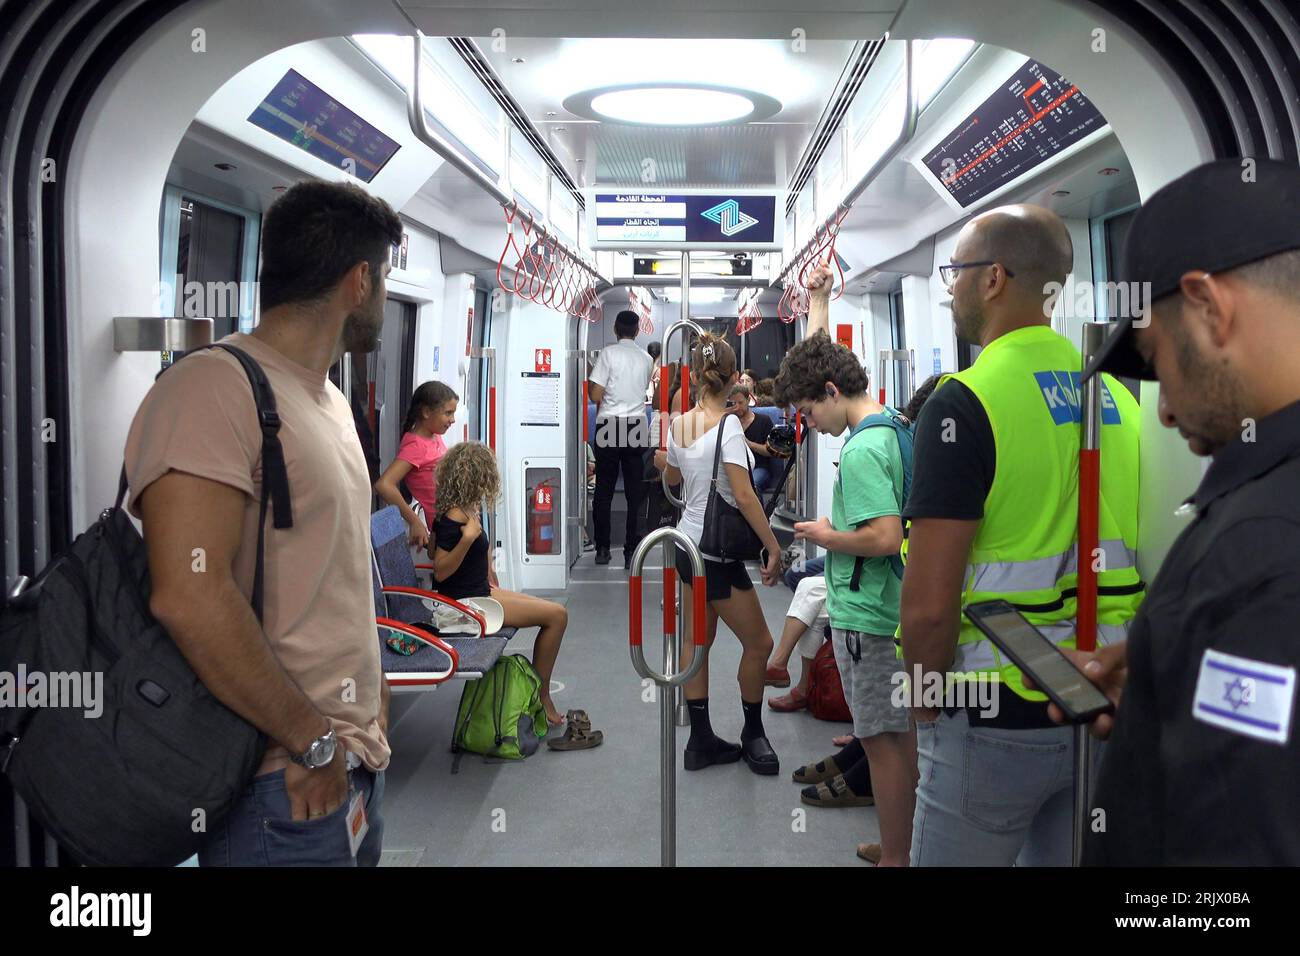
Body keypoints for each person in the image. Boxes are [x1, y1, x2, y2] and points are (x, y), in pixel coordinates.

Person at [125, 180, 401, 866]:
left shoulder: (329, 399)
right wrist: (310, 738)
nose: (387, 296)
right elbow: (190, 594)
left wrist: (370, 699)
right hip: (280, 779)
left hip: (348, 759)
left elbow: (326, 570)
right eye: (388, 277)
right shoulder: (211, 389)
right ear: (359, 281)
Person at [1068, 158, 1300, 865]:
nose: (1163, 408)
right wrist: (1172, 677)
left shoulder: (1261, 547)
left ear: (1207, 305)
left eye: (1155, 357)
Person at [897, 204, 1143, 867]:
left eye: (955, 272)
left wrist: (924, 705)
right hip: (1102, 704)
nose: (949, 288)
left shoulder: (965, 401)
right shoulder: (1115, 397)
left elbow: (927, 605)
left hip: (992, 711)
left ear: (994, 278)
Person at [775, 325, 912, 867]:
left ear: (832, 391)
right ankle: (902, 843)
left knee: (882, 744)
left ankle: (896, 857)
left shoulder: (860, 451)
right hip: (894, 606)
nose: (811, 425)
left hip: (870, 615)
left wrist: (826, 536)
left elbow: (883, 536)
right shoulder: (894, 426)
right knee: (903, 740)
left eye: (810, 411)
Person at [653, 333, 783, 775]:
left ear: (693, 375)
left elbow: (671, 477)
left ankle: (700, 739)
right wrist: (772, 544)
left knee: (697, 642)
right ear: (732, 379)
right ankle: (752, 731)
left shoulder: (678, 424)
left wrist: (669, 462)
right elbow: (745, 497)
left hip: (686, 545)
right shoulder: (729, 426)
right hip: (718, 554)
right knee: (760, 642)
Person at [429, 440, 581, 733]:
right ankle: (540, 695)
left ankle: (538, 693)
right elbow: (441, 571)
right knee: (556, 616)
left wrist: (487, 566)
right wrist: (468, 540)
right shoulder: (453, 520)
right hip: (466, 605)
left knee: (550, 611)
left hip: (479, 592)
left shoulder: (463, 510)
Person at [589, 310, 655, 568]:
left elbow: (596, 394)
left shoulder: (608, 354)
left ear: (616, 329)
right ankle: (631, 551)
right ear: (638, 331)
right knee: (634, 493)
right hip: (636, 425)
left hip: (608, 423)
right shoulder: (647, 359)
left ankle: (603, 549)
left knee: (604, 489)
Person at [373, 381, 458, 548]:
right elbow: (384, 484)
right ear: (426, 412)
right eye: (448, 413)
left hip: (456, 520)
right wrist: (414, 522)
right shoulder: (416, 446)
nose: (453, 420)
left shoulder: (434, 435)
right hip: (448, 528)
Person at [730, 384, 783, 490]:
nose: (737, 407)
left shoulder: (763, 421)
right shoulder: (729, 422)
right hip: (735, 467)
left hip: (758, 467)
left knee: (750, 485)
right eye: (733, 403)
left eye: (740, 403)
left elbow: (770, 450)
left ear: (748, 400)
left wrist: (748, 444)